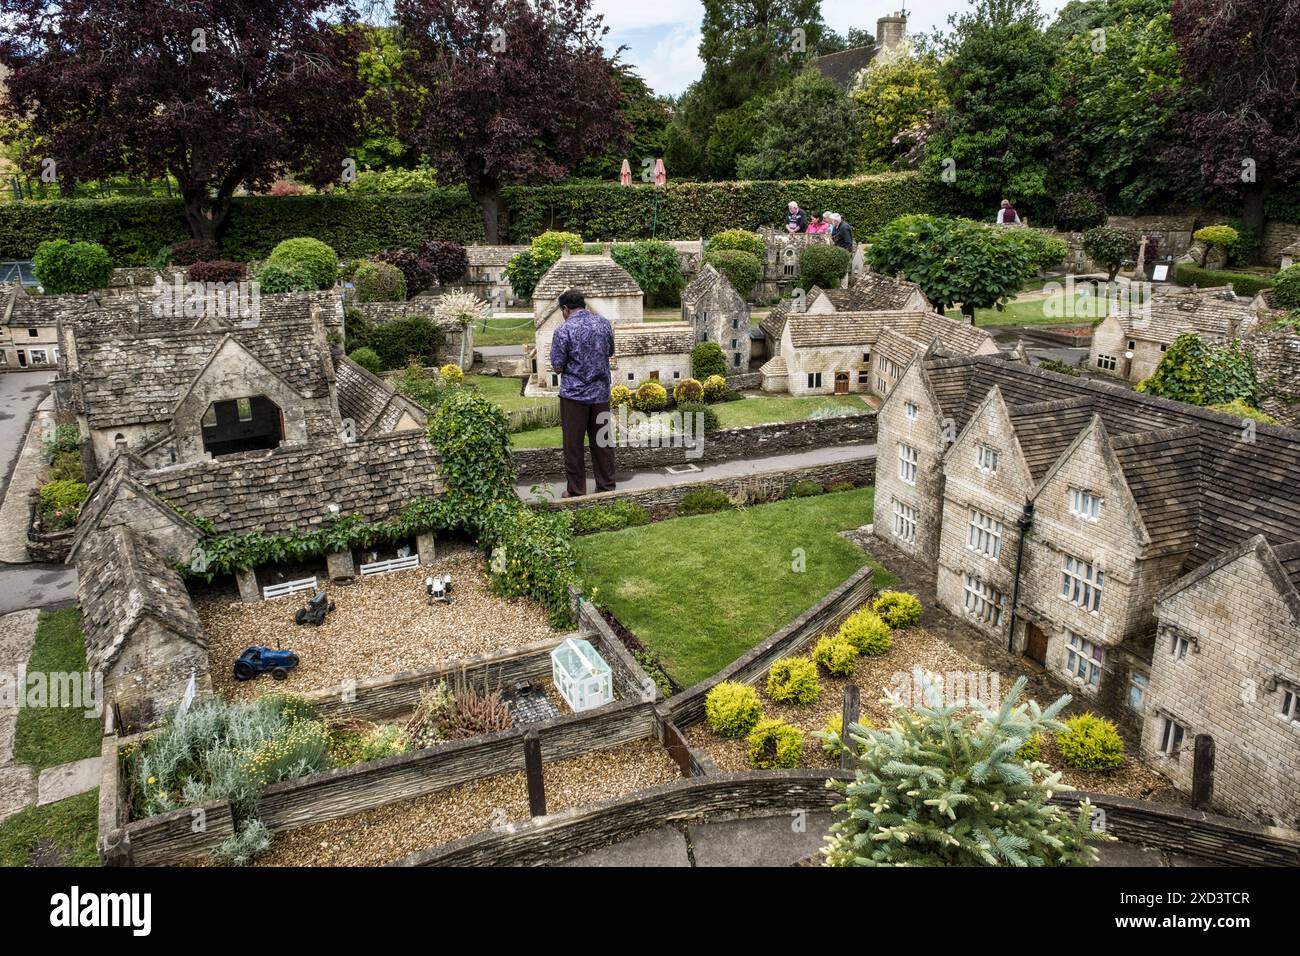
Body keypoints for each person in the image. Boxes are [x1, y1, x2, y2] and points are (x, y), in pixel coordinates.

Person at [549, 289, 616, 498]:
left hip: (574, 397)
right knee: (602, 443)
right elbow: (610, 352)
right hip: (601, 395)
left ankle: (576, 490)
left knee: (574, 446)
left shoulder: (563, 331)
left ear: (565, 309)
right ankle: (606, 487)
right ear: (583, 305)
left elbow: (558, 366)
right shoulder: (604, 324)